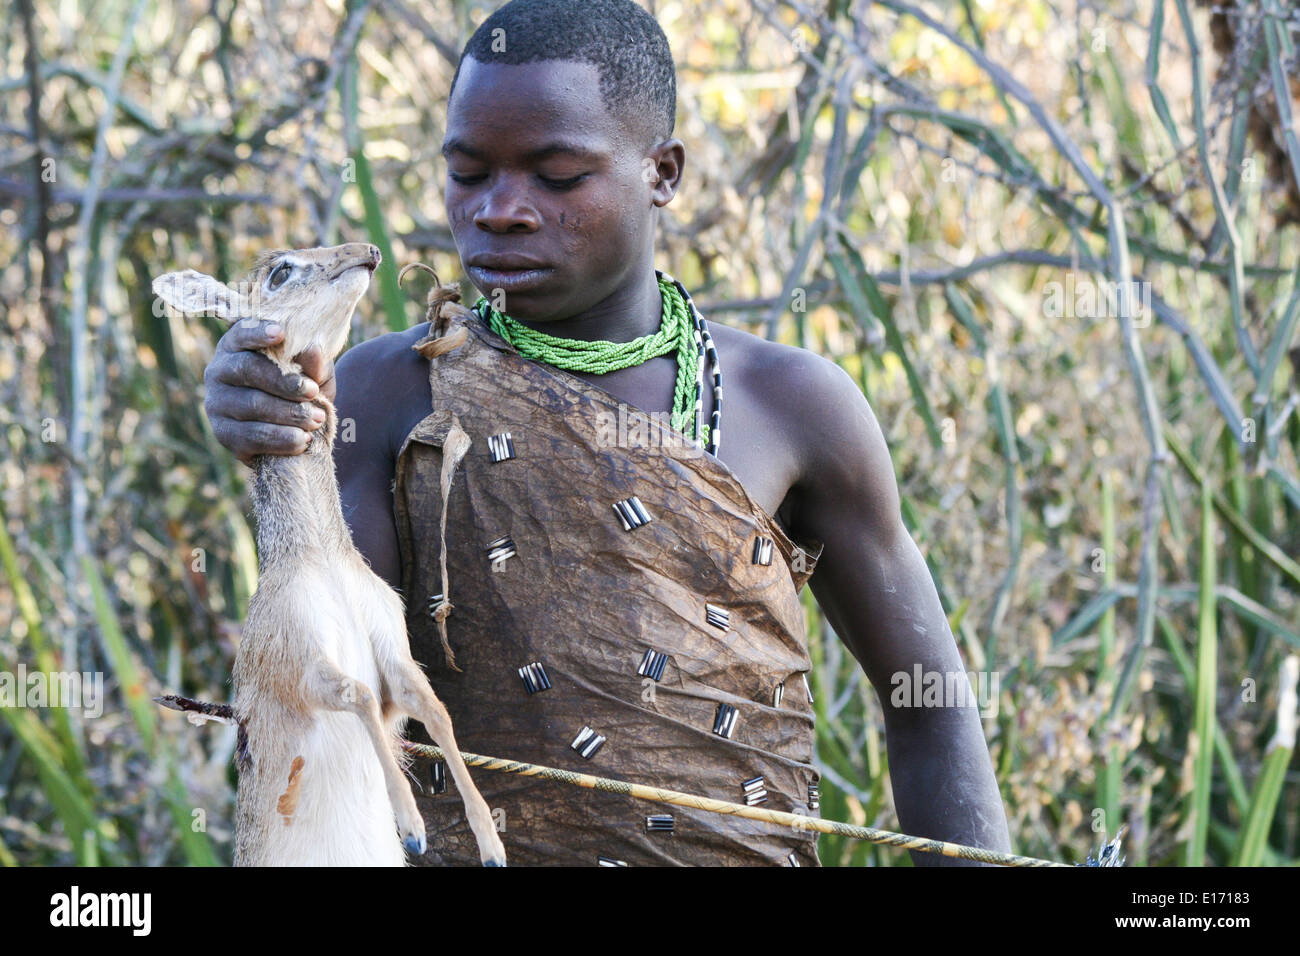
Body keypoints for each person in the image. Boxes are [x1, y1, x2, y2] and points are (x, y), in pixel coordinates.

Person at [202, 0, 1011, 865]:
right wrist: (278, 441)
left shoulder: (792, 405)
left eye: (557, 177)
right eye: (469, 174)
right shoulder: (384, 391)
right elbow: (327, 699)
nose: (501, 210)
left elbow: (928, 707)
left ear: (661, 172)